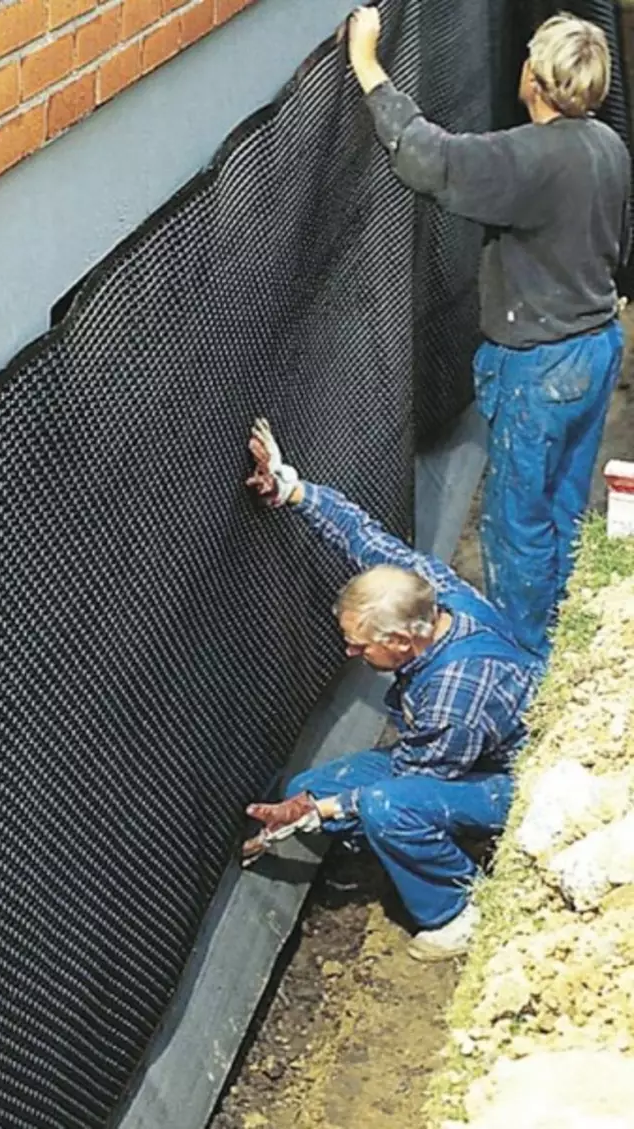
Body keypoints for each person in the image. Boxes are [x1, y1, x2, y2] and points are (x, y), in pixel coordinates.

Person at [346, 7, 630, 657]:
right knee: (563, 505)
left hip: (541, 370)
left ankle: (524, 661)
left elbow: (430, 161)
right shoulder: (607, 146)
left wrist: (366, 63)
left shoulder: (529, 159)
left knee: (517, 526)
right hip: (595, 346)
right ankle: (563, 636)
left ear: (534, 78)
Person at [240, 419, 543, 961]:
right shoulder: (430, 593)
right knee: (312, 785)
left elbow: (418, 779)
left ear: (404, 639)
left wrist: (326, 810)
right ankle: (414, 850)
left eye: (363, 646)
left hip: (517, 779)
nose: (354, 655)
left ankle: (457, 910)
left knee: (384, 807)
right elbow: (363, 536)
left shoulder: (455, 696)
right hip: (460, 755)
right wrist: (294, 489)